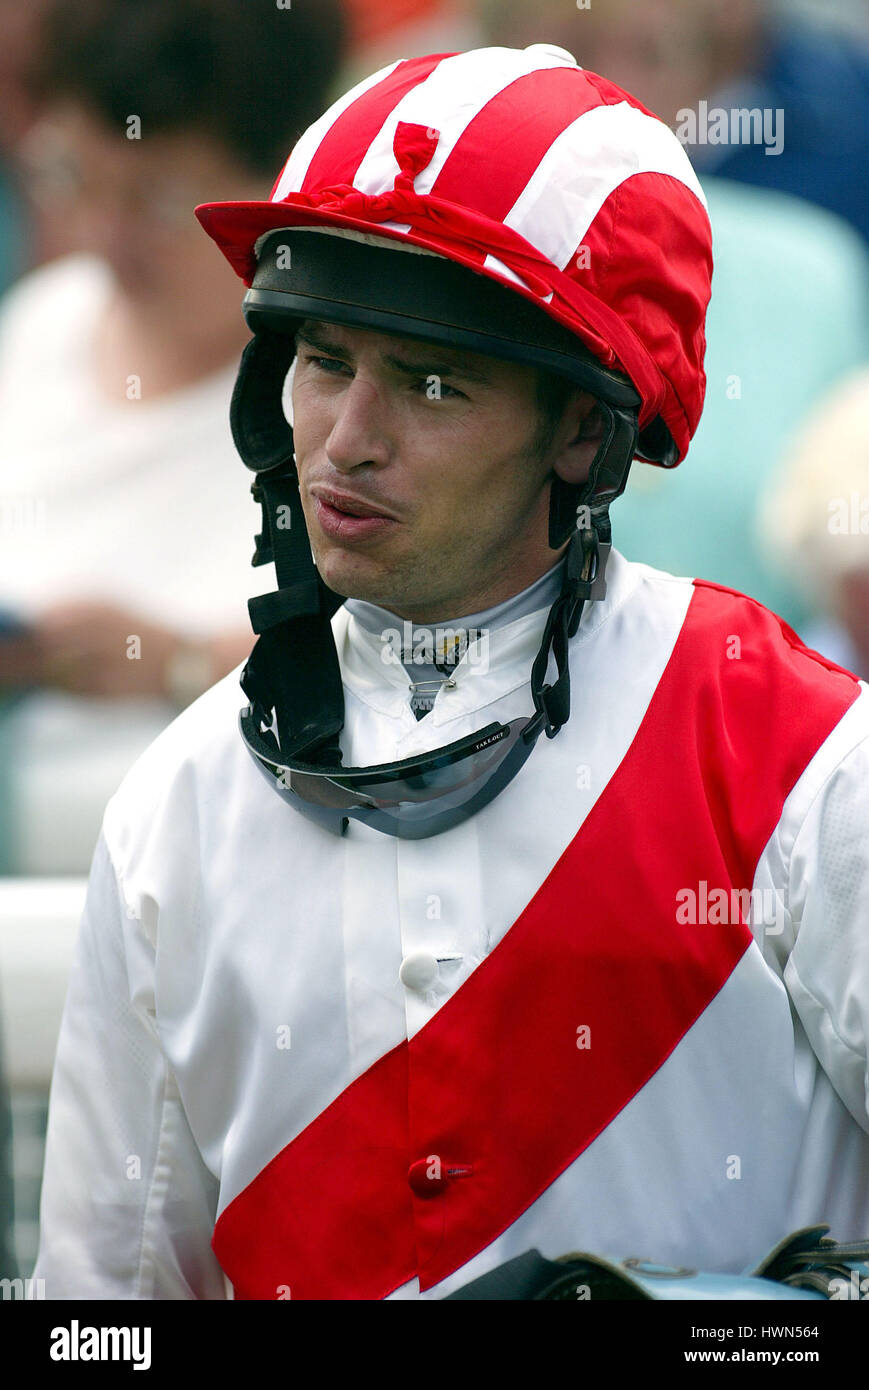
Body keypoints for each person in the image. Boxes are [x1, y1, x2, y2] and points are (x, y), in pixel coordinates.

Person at [33, 43, 869, 1300]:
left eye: (429, 380)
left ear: (585, 431)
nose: (347, 441)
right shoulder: (176, 807)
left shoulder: (805, 760)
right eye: (322, 361)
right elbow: (100, 1322)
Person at [0, 0, 348, 873]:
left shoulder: (345, 406)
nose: (105, 239)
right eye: (74, 176)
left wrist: (171, 662)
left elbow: (429, 669)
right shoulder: (47, 322)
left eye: (155, 203)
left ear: (277, 183)